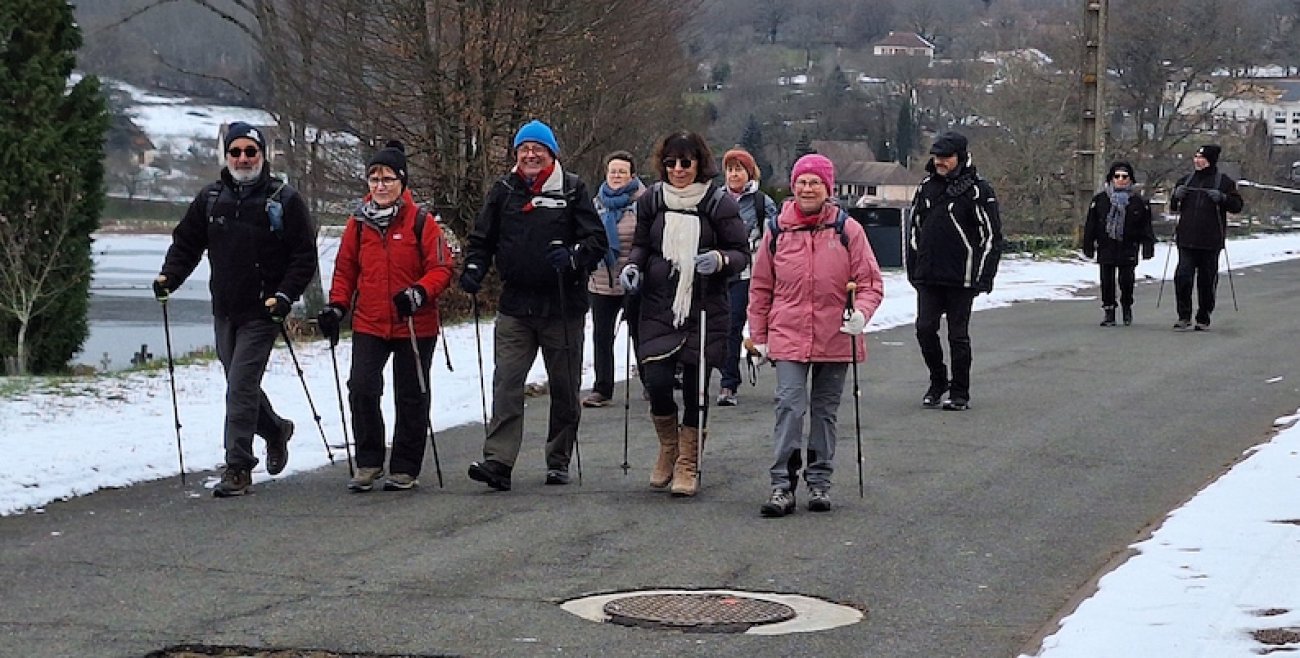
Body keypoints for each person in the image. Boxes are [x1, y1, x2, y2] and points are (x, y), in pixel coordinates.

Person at [154, 121, 318, 497]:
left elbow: (303, 256)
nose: (243, 159)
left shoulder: (284, 200)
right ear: (226, 156)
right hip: (225, 309)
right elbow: (187, 243)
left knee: (241, 386)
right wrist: (169, 278)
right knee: (238, 386)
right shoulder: (210, 198)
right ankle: (276, 429)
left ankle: (238, 467)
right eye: (235, 152)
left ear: (263, 155)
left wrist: (286, 296)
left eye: (250, 152)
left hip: (264, 311)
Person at [459, 120, 607, 491]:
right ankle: (499, 461)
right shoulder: (504, 190)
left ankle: (558, 459)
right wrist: (474, 267)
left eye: (537, 149)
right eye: (523, 149)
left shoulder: (573, 190)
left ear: (551, 153)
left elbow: (596, 241)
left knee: (564, 385)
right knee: (507, 382)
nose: (530, 154)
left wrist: (573, 257)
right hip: (515, 306)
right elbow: (482, 238)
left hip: (562, 306)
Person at [747, 154, 884, 517]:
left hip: (836, 336)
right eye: (802, 182)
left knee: (824, 412)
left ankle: (819, 483)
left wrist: (861, 314)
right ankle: (782, 485)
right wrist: (758, 335)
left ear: (828, 188)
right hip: (788, 333)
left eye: (815, 183)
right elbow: (761, 288)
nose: (808, 188)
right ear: (794, 186)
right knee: (789, 407)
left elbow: (870, 283)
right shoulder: (777, 230)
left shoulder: (847, 230)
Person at [318, 141, 455, 492]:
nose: (380, 186)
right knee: (361, 388)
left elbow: (441, 268)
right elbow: (345, 268)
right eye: (374, 178)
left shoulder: (422, 222)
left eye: (388, 179)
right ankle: (368, 462)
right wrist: (337, 306)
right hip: (370, 321)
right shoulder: (358, 223)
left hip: (414, 322)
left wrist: (419, 292)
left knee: (410, 395)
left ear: (402, 182)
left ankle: (405, 467)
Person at [619, 131, 749, 497]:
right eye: (671, 163)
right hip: (659, 303)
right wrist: (633, 268)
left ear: (699, 164)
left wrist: (720, 260)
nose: (678, 169)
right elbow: (642, 244)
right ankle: (668, 447)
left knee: (695, 388)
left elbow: (741, 252)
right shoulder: (652, 200)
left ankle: (689, 462)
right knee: (657, 382)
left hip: (705, 306)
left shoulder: (718, 203)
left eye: (686, 162)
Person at [906, 131, 1003, 411]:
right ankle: (938, 381)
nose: (939, 162)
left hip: (962, 277)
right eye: (936, 156)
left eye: (945, 157)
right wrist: (913, 268)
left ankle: (960, 391)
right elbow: (914, 229)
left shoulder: (978, 190)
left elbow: (992, 237)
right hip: (928, 274)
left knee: (957, 336)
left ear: (960, 158)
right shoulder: (926, 187)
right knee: (924, 329)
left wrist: (984, 276)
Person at [583, 151, 646, 408]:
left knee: (641, 336)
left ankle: (651, 385)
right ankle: (602, 389)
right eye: (613, 171)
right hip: (601, 281)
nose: (617, 176)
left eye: (622, 171)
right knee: (602, 336)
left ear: (632, 175)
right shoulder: (596, 203)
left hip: (635, 282)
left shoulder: (645, 202)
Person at [716, 148, 778, 407]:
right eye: (730, 169)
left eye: (738, 169)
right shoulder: (715, 199)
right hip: (720, 272)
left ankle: (732, 383)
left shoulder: (762, 203)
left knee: (748, 326)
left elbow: (773, 241)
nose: (733, 174)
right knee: (724, 328)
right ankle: (726, 380)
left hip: (750, 274)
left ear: (749, 173)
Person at [1169, 144, 1244, 331]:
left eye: (1201, 157)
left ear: (1210, 160)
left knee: (1207, 280)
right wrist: (1175, 196)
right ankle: (1183, 316)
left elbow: (1237, 205)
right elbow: (1174, 207)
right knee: (1183, 277)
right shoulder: (1186, 180)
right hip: (1186, 239)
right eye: (1195, 157)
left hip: (1210, 241)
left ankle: (1203, 317)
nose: (1197, 160)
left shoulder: (1224, 182)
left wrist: (1223, 199)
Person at [1081, 162, 1156, 327]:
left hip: (1128, 245)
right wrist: (1088, 245)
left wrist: (1148, 246)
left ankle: (1127, 306)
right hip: (1106, 245)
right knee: (1107, 280)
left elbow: (1146, 227)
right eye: (1117, 176)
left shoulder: (1138, 202)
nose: (1120, 180)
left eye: (1124, 176)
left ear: (1130, 179)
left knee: (1126, 280)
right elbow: (1091, 225)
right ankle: (1109, 311)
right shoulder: (1100, 200)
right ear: (1111, 179)